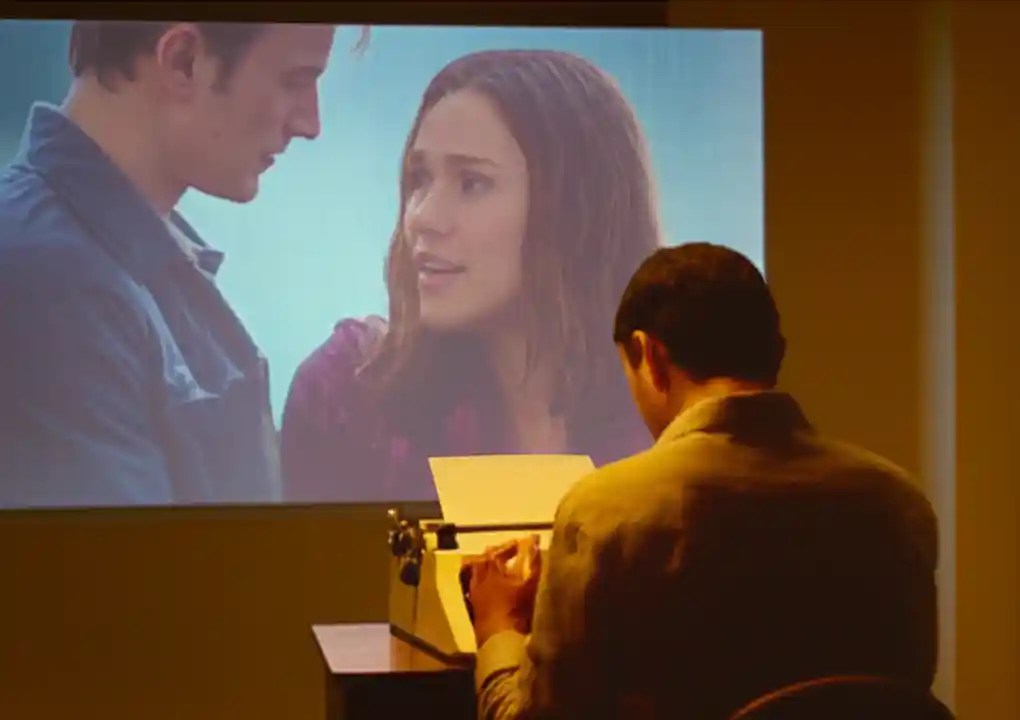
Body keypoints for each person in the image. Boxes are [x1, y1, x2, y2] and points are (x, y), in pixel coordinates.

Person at [466, 243, 940, 719]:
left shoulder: (604, 512)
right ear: (775, 354)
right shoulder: (900, 503)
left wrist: (498, 626)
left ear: (649, 354)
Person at [280, 50, 658, 504]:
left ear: (577, 210)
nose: (422, 217)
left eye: (472, 183)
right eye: (419, 179)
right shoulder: (346, 397)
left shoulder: (681, 420)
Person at [0, 21, 336, 507]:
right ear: (183, 61)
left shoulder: (116, 259)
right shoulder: (49, 284)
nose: (310, 124)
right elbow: (134, 555)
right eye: (294, 80)